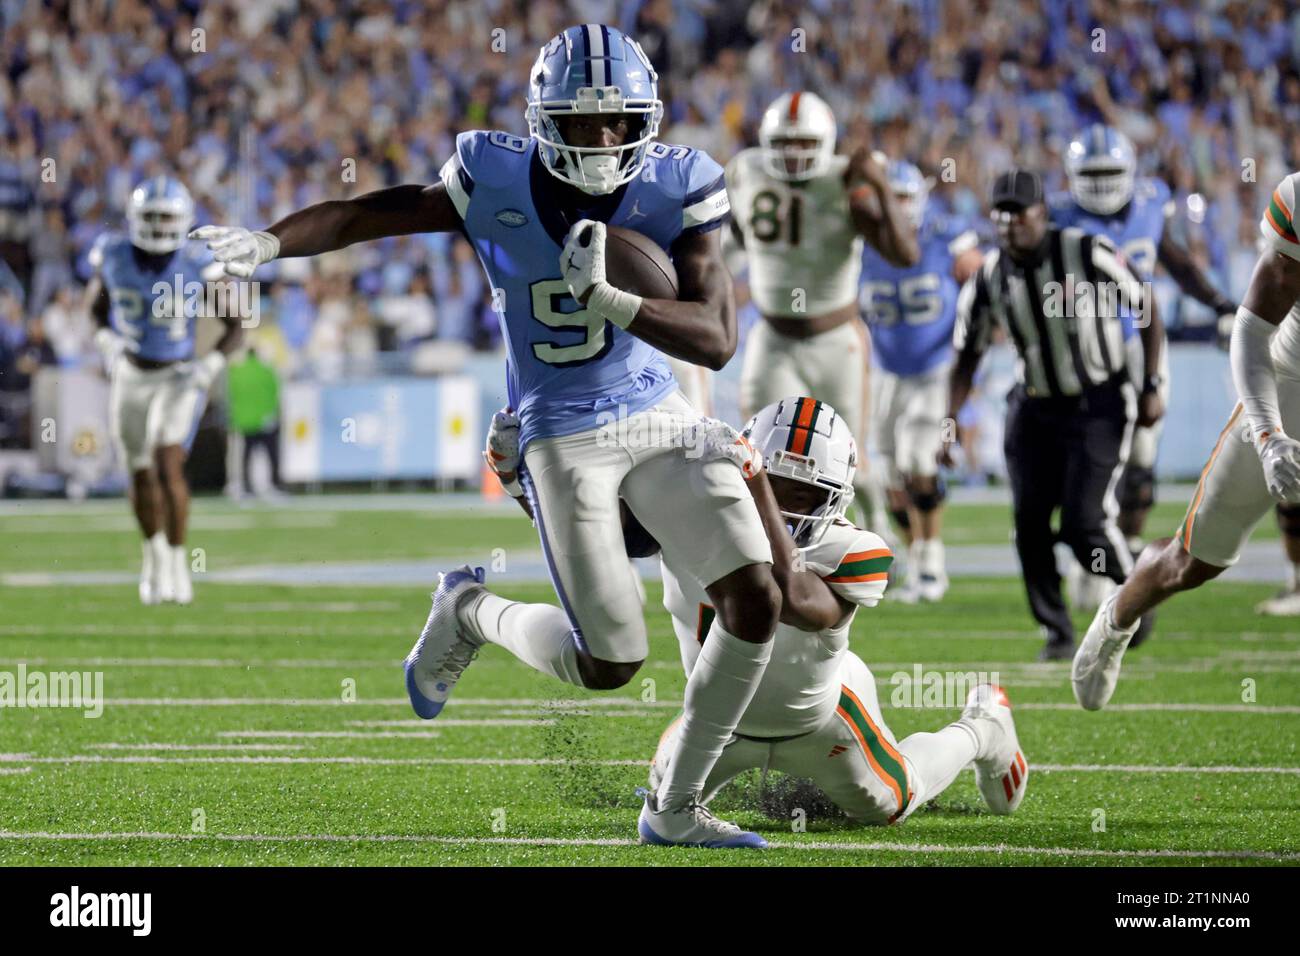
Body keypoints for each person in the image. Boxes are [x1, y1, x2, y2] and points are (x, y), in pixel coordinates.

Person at [193, 25, 783, 850]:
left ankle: (674, 807)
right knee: (609, 664)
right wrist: (268, 243)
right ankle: (470, 611)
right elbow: (372, 213)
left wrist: (615, 302)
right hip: (560, 430)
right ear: (546, 120)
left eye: (621, 120)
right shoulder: (494, 175)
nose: (606, 138)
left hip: (658, 411)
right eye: (584, 121)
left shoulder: (679, 181)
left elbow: (717, 335)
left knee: (756, 597)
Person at [485, 397, 1028, 829]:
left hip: (821, 716)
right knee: (661, 803)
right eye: (779, 485)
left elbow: (788, 593)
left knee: (891, 801)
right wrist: (519, 484)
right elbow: (587, 541)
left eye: (806, 493)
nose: (790, 506)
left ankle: (983, 727)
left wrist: (756, 484)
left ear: (835, 498)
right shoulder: (697, 517)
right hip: (719, 724)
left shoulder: (852, 549)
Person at [1072, 171, 1300, 710]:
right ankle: (1116, 620)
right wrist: (1269, 436)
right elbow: (1251, 331)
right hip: (1291, 384)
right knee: (1193, 561)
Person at [945, 169, 1162, 660]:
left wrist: (1151, 383)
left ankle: (1135, 590)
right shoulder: (988, 277)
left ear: (1042, 212)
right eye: (1001, 213)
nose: (1010, 222)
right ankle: (1057, 630)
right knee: (1028, 524)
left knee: (1084, 523)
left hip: (1098, 401)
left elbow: (1146, 305)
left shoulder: (1086, 250)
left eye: (1020, 211)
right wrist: (949, 420)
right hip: (1034, 407)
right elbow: (966, 356)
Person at [1051, 125, 1239, 613]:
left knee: (1139, 465)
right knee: (1092, 460)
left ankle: (1125, 556)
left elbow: (1175, 261)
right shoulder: (1056, 218)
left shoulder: (1151, 206)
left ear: (1130, 173)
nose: (1099, 183)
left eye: (1109, 173)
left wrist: (1219, 303)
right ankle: (1092, 556)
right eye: (1090, 174)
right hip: (1085, 352)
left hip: (1141, 344)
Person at [726, 91, 920, 525]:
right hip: (773, 336)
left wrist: (880, 184)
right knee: (759, 453)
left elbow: (906, 254)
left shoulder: (845, 178)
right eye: (784, 143)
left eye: (805, 144)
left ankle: (879, 536)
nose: (793, 154)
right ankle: (775, 553)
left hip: (836, 340)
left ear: (826, 142)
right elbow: (736, 243)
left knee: (851, 460)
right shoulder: (746, 170)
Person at [87, 176, 243, 605]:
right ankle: (152, 556)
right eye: (150, 217)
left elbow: (236, 326)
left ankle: (177, 562)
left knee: (167, 461)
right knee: (138, 471)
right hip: (131, 374)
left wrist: (208, 365)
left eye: (165, 217)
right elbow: (96, 312)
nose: (157, 226)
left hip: (177, 377)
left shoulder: (197, 259)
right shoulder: (113, 253)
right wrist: (108, 344)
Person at [860, 160, 982, 601]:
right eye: (890, 197)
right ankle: (917, 564)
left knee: (919, 461)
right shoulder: (861, 242)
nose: (898, 207)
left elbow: (982, 275)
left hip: (935, 368)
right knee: (889, 473)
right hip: (886, 371)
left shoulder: (944, 235)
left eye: (905, 197)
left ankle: (932, 563)